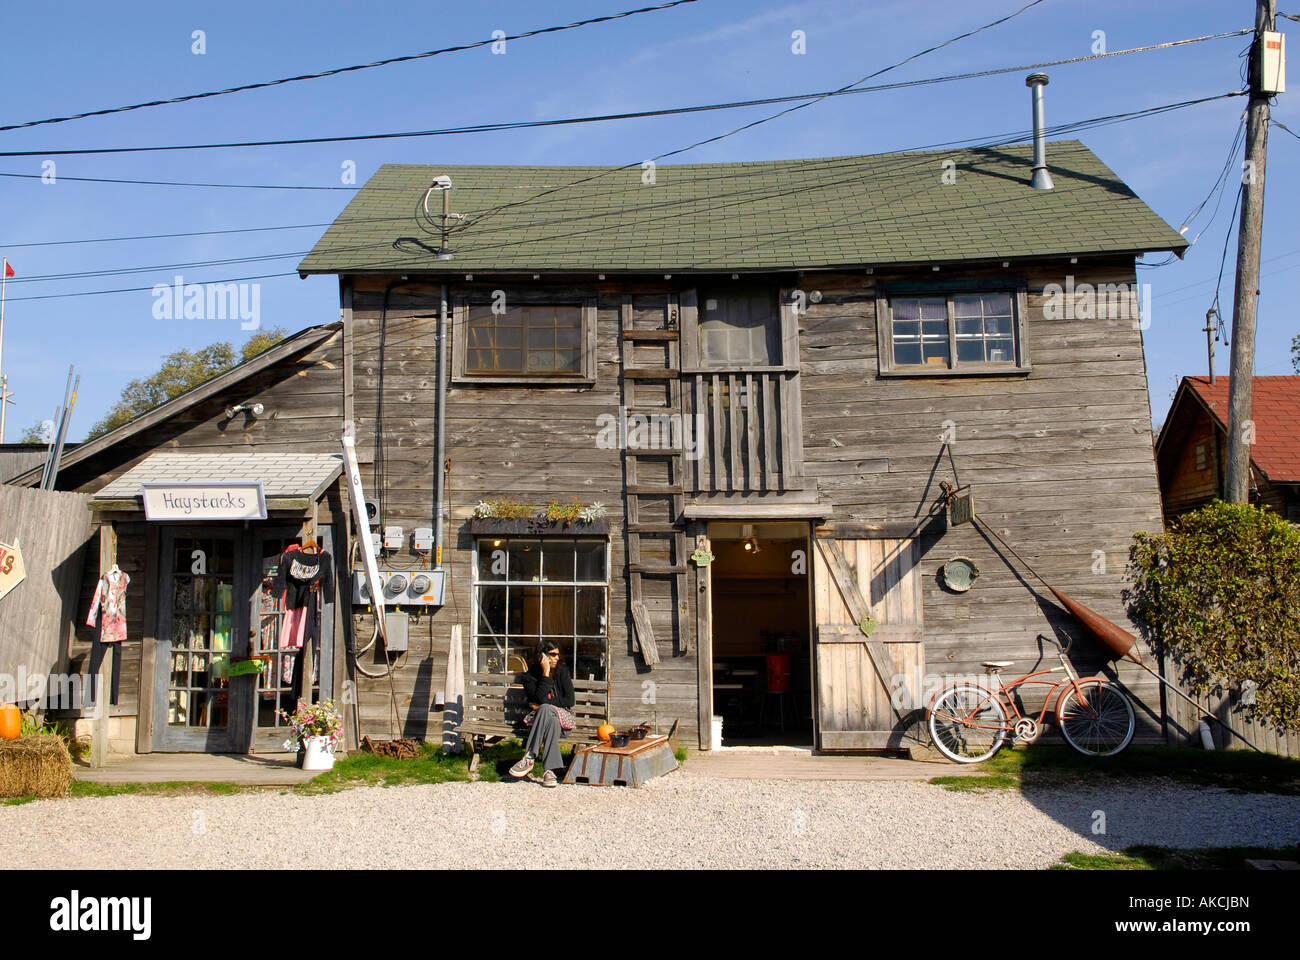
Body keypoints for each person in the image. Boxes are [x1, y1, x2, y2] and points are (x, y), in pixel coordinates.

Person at [508, 642, 576, 787]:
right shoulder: (529, 677)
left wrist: (545, 704)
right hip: (542, 723)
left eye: (558, 654)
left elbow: (570, 700)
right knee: (550, 719)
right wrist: (545, 673)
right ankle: (549, 772)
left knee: (545, 707)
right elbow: (536, 699)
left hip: (564, 722)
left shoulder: (562, 671)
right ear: (542, 656)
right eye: (552, 655)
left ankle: (530, 756)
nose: (557, 658)